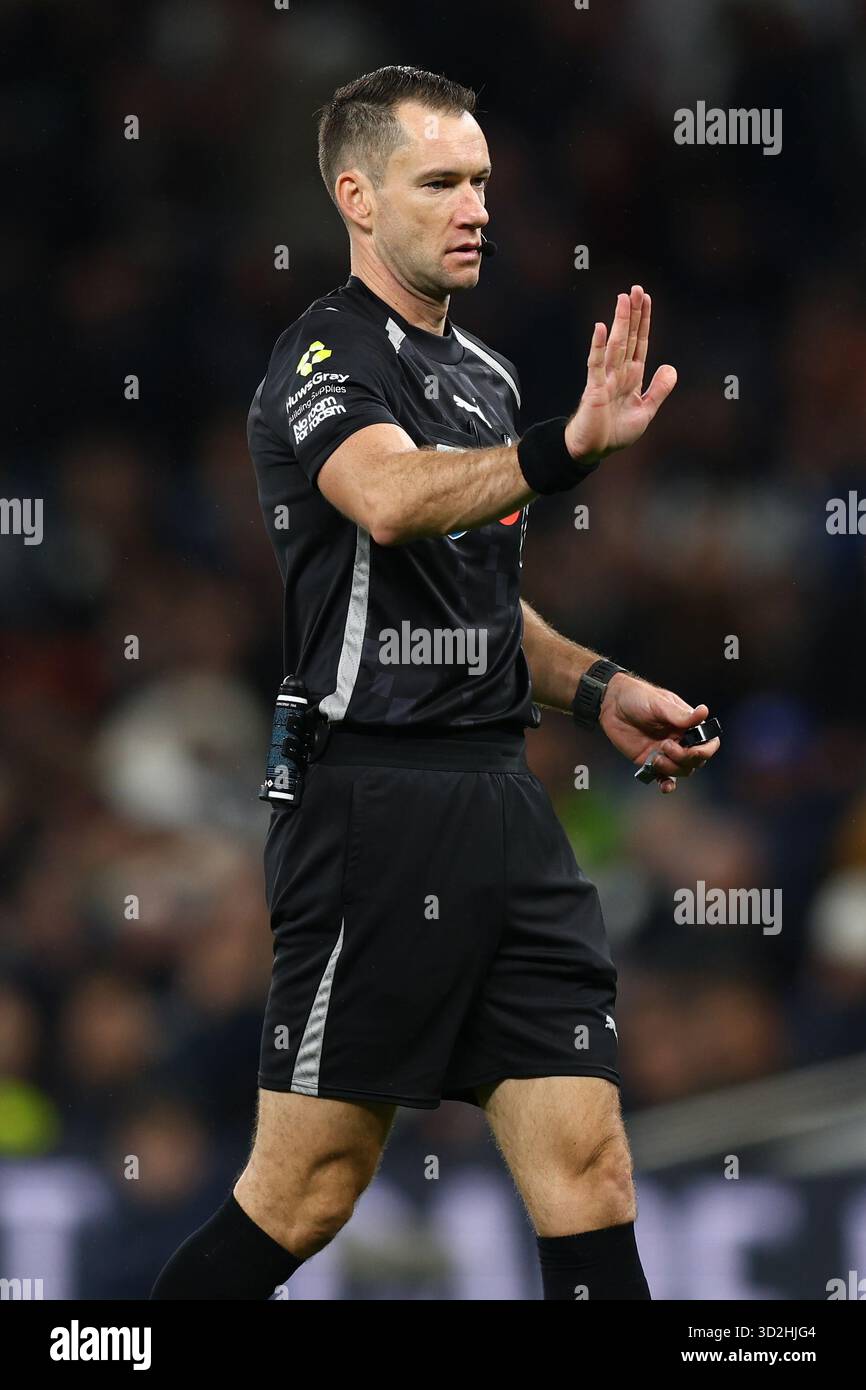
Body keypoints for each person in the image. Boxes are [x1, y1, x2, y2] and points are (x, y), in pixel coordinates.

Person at [151, 64, 719, 1302]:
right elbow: (391, 499)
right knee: (307, 1192)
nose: (474, 207)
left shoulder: (489, 377)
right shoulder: (320, 354)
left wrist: (598, 685)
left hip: (500, 804)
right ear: (357, 196)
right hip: (370, 809)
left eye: (481, 182)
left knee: (588, 1167)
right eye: (440, 182)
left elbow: (478, 600)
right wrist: (564, 452)